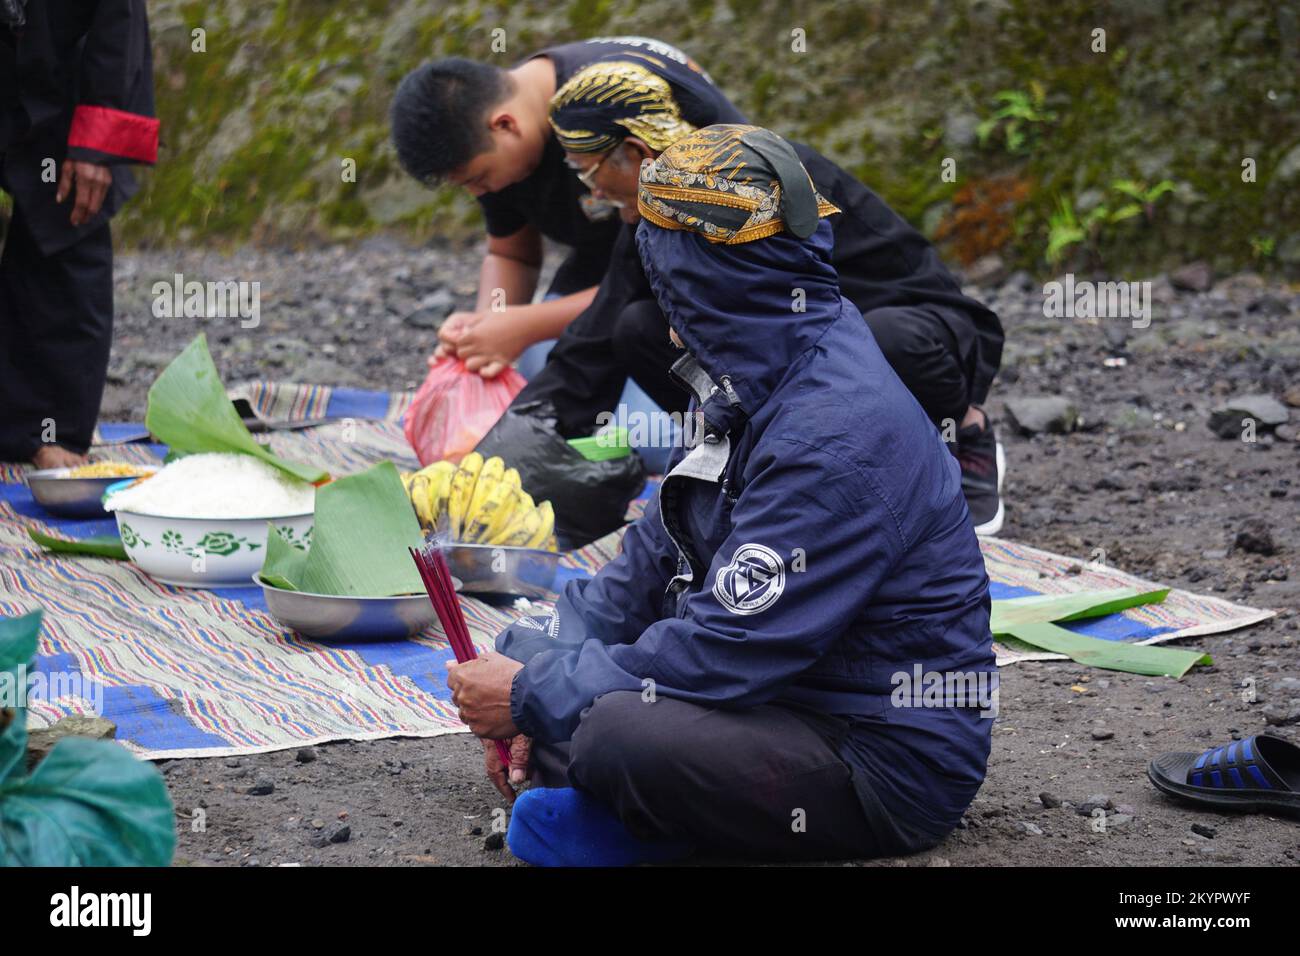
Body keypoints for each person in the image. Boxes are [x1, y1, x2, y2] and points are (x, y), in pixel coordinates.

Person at [445, 126, 997, 865]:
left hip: (874, 750)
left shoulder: (833, 437)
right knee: (546, 667)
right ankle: (634, 810)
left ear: (700, 277)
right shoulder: (748, 372)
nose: (661, 308)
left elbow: (728, 648)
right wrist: (531, 663)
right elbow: (651, 558)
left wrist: (530, 697)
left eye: (665, 274)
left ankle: (646, 827)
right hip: (770, 699)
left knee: (614, 732)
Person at [505, 55, 1008, 532]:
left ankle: (965, 433)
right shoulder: (658, 210)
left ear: (636, 152)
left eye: (588, 172)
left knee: (889, 337)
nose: (592, 193)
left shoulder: (755, 177)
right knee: (637, 327)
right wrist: (519, 446)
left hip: (871, 327)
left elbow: (809, 301)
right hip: (794, 349)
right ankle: (747, 458)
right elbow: (597, 332)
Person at [388, 36, 745, 380]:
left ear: (505, 125)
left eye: (478, 179)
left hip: (702, 271)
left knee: (641, 391)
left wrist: (527, 325)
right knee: (536, 364)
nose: (479, 192)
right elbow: (512, 255)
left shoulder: (616, 102)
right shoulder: (488, 133)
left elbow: (675, 270)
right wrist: (484, 330)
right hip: (604, 263)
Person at [0, 0, 158, 467]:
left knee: (67, 230)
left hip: (66, 69)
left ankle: (45, 432)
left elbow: (118, 21)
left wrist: (96, 145)